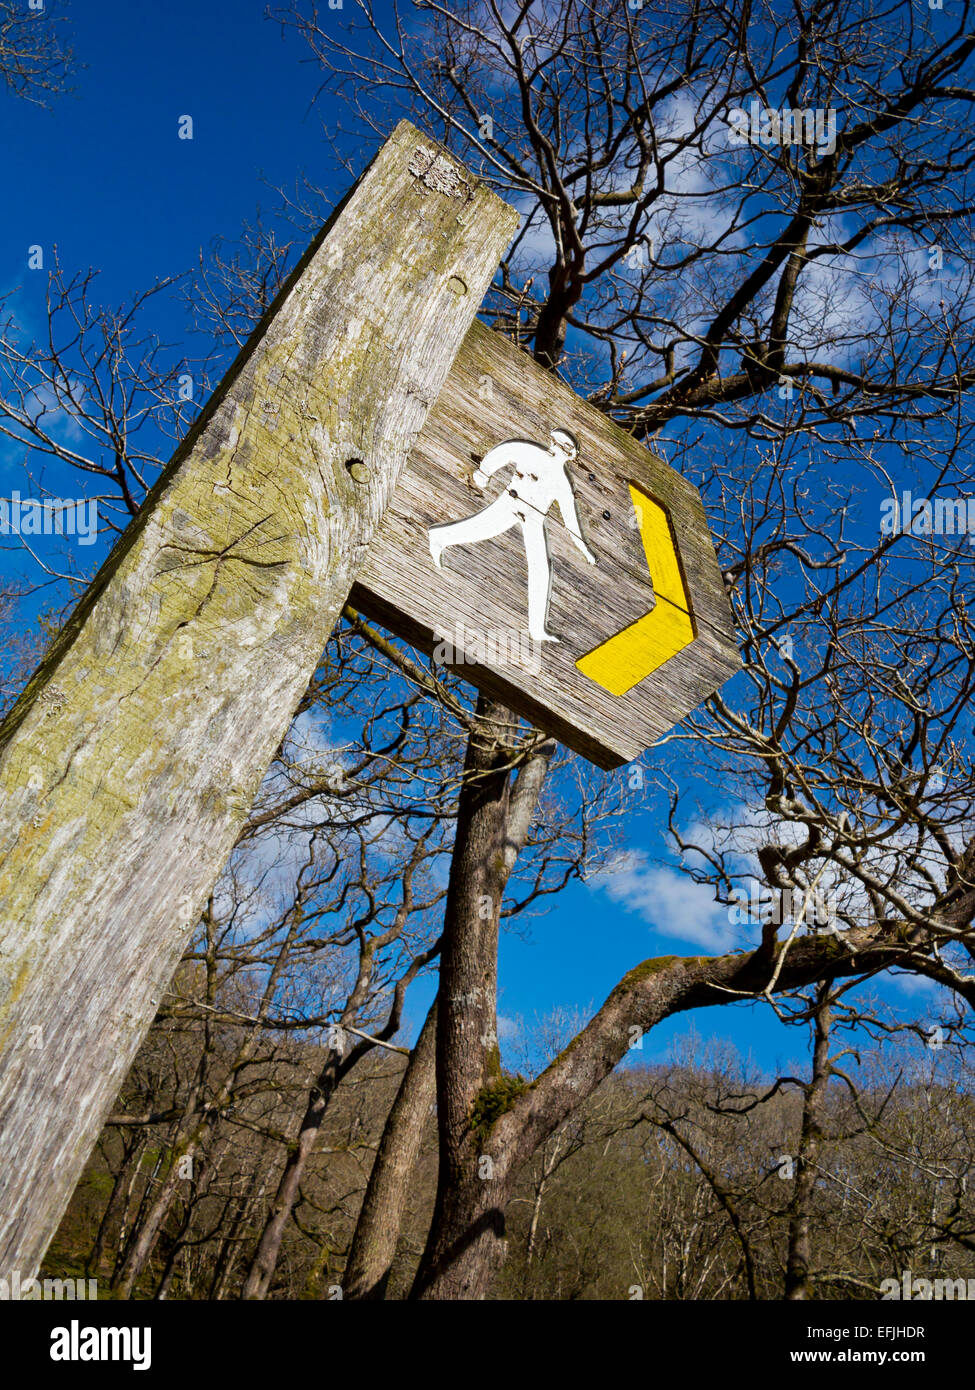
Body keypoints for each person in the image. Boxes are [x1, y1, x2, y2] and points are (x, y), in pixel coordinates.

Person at [428, 427, 597, 642]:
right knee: (480, 528)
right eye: (556, 443)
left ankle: (537, 628)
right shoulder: (533, 452)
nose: (557, 450)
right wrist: (484, 472)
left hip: (535, 518)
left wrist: (585, 550)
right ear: (552, 441)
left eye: (565, 448)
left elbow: (571, 520)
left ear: (569, 455)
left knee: (541, 566)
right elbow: (507, 451)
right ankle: (439, 538)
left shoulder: (563, 482)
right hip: (512, 502)